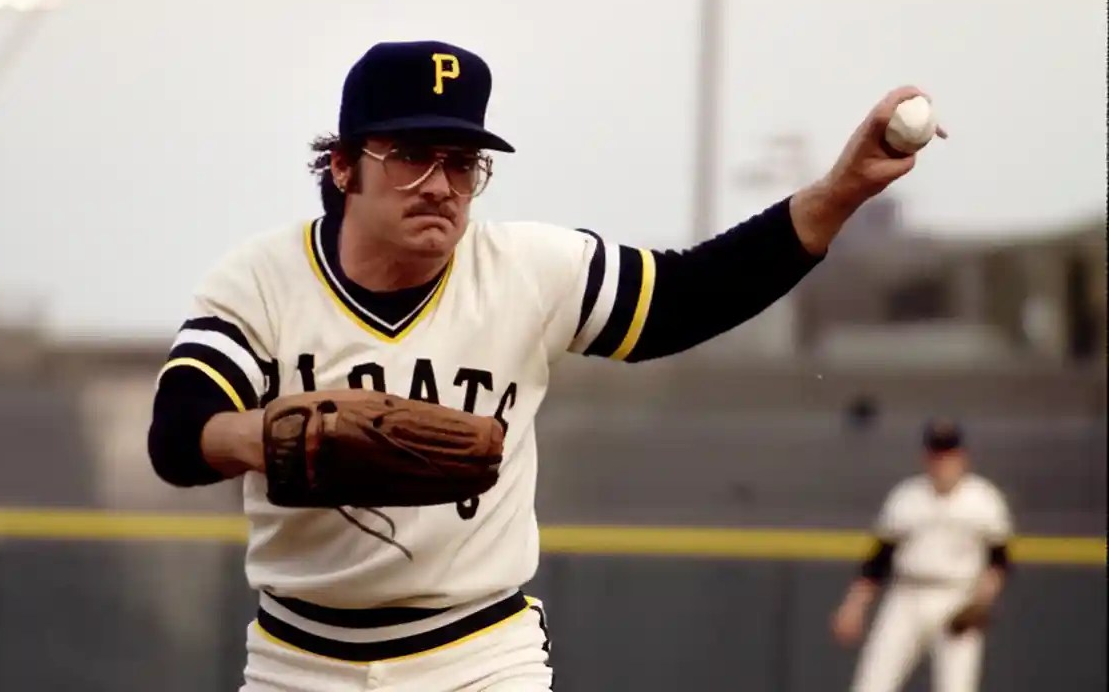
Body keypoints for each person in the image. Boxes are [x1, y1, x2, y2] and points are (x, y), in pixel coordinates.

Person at [148, 39, 944, 692]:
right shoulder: (261, 279)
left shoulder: (527, 268)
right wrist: (274, 436)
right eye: (413, 155)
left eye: (463, 162)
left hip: (479, 657)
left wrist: (843, 190)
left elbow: (687, 298)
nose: (442, 185)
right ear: (344, 166)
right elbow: (176, 433)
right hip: (298, 663)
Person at [831, 418, 1014, 692]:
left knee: (956, 687)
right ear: (925, 456)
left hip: (957, 597)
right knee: (871, 685)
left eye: (948, 453)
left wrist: (981, 602)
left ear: (962, 457)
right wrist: (854, 606)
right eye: (936, 453)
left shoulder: (984, 499)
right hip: (906, 596)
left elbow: (999, 560)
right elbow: (878, 559)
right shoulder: (906, 497)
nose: (942, 461)